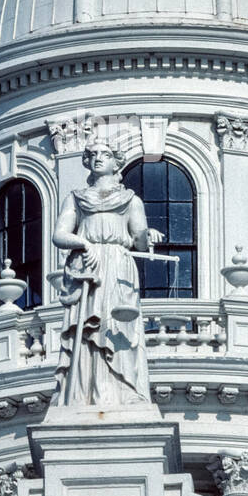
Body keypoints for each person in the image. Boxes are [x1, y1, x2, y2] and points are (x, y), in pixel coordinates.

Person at [52, 142, 163, 406]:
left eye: (106, 154)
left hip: (117, 264)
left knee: (118, 324)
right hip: (86, 265)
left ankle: (123, 387)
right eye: (92, 155)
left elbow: (139, 239)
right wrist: (84, 244)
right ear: (87, 163)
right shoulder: (76, 197)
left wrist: (149, 235)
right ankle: (84, 390)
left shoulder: (130, 200)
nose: (98, 158)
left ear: (117, 163)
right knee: (87, 327)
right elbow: (59, 234)